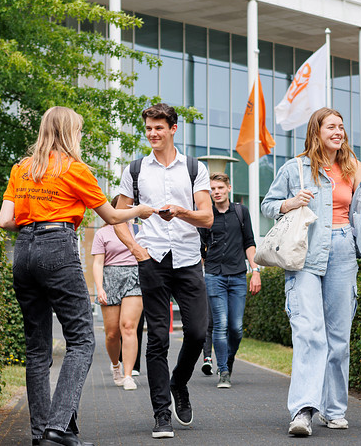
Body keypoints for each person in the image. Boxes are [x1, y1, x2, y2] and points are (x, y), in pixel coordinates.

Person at [0, 106, 158, 446]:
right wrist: (141, 210)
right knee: (82, 339)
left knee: (37, 347)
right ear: (70, 133)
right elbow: (113, 216)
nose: (81, 136)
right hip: (57, 246)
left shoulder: (21, 168)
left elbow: (4, 220)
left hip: (23, 250)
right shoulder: (75, 169)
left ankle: (42, 434)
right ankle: (59, 426)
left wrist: (34, 215)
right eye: (80, 131)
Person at [261, 107, 361, 437]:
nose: (338, 131)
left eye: (341, 127)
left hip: (344, 250)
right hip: (305, 254)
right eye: (331, 126)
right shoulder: (296, 168)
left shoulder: (355, 168)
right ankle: (303, 410)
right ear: (316, 132)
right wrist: (288, 203)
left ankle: (334, 410)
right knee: (309, 332)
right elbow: (268, 205)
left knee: (338, 339)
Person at [113, 103, 213, 439]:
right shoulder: (136, 169)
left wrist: (182, 212)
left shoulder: (194, 168)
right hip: (152, 259)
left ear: (173, 129)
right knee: (156, 338)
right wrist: (136, 249)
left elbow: (207, 217)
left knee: (198, 332)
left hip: (187, 260)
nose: (153, 134)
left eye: (159, 128)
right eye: (148, 129)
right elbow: (119, 216)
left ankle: (178, 383)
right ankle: (161, 415)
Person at [198, 172, 262, 389]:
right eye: (212, 189)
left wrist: (255, 270)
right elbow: (201, 248)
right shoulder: (206, 215)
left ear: (228, 188)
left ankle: (228, 358)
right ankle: (223, 370)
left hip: (237, 276)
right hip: (214, 275)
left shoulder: (240, 212)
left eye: (220, 188)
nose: (216, 192)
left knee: (236, 327)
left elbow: (249, 242)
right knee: (221, 324)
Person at [92, 195, 143, 391]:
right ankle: (116, 366)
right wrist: (100, 288)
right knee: (112, 333)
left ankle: (129, 375)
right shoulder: (102, 233)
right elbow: (98, 263)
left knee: (128, 326)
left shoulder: (139, 230)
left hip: (134, 277)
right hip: (110, 277)